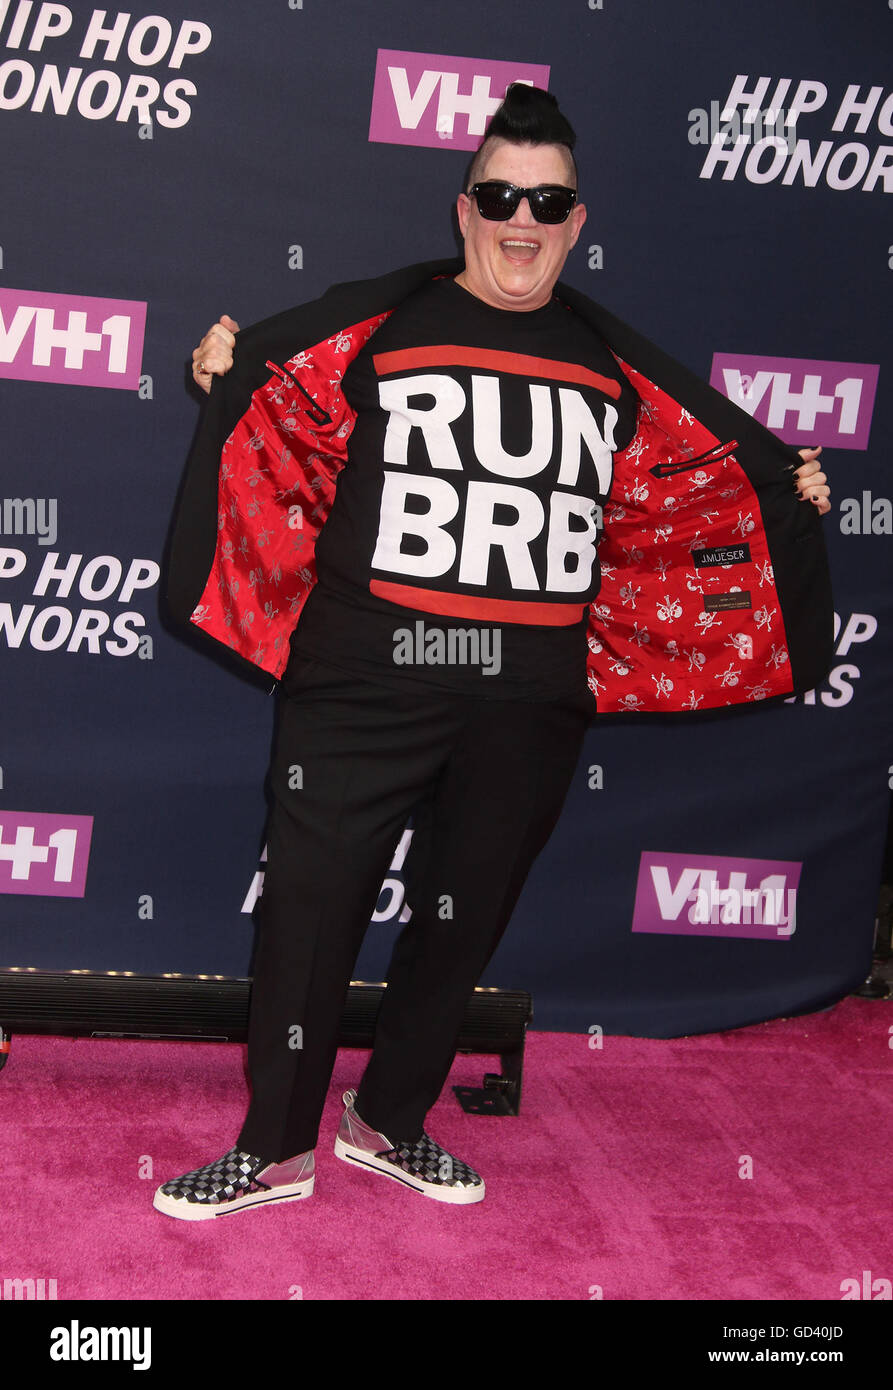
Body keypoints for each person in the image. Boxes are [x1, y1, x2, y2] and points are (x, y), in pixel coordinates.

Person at [156, 85, 831, 1219]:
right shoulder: (382, 323)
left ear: (576, 220)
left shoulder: (614, 364)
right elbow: (282, 398)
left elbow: (676, 496)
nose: (522, 218)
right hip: (361, 679)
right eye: (500, 194)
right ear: (463, 208)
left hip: (527, 696)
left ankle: (390, 1121)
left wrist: (780, 493)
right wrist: (225, 365)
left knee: (461, 916)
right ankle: (274, 1148)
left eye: (546, 200)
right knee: (310, 912)